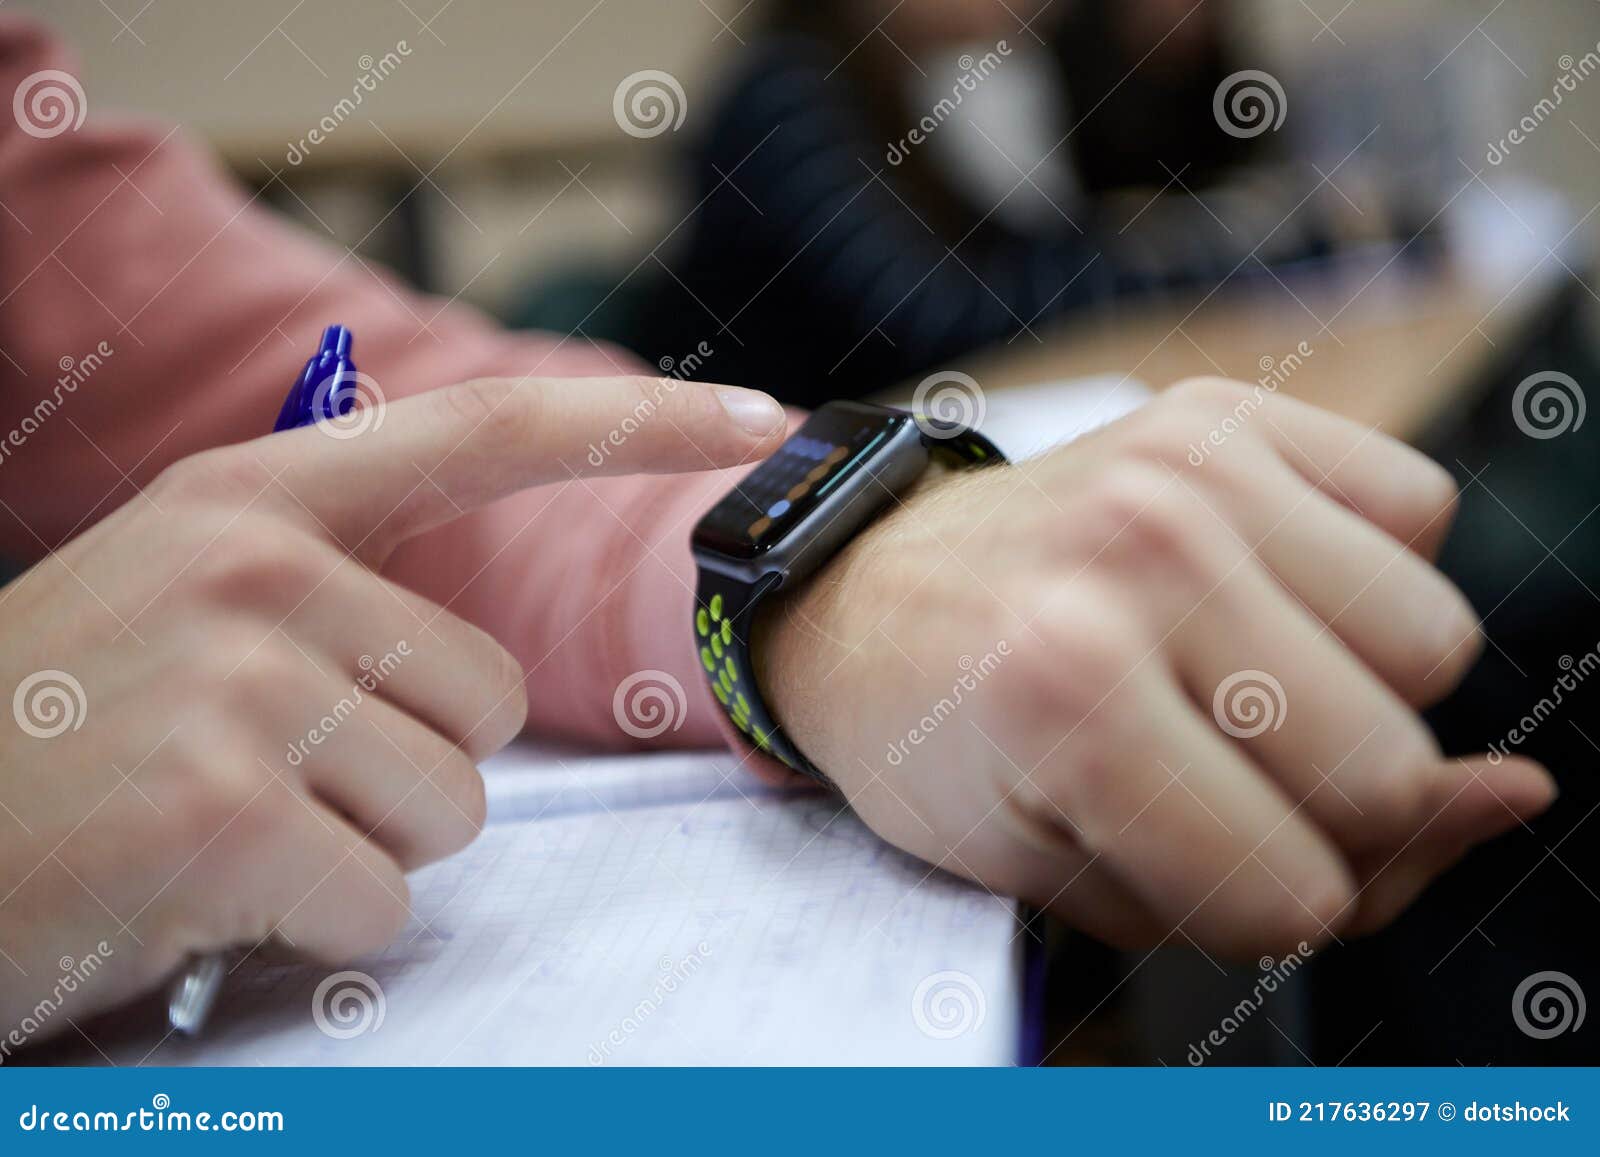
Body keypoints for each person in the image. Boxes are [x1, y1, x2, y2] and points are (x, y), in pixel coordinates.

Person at [0, 17, 1552, 1042]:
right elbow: (948, 309)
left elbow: (324, 398)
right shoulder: (792, 90)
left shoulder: (966, 96)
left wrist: (836, 567)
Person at [634, 0, 1391, 402]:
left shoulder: (893, 88)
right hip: (761, 512)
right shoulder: (785, 93)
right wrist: (1224, 250)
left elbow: (1018, 257)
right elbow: (946, 319)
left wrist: (1207, 244)